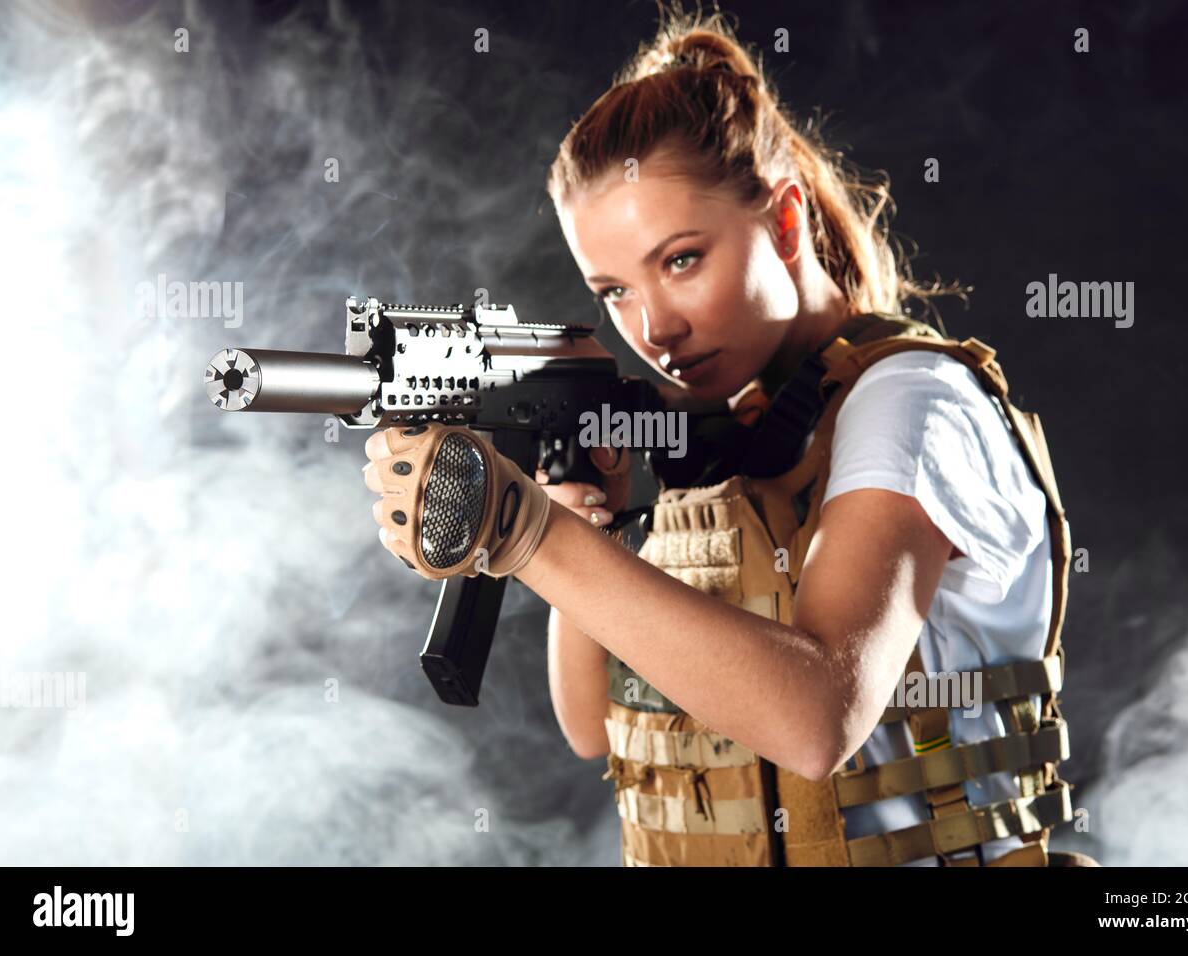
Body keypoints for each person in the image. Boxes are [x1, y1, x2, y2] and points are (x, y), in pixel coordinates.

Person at [362, 8, 1092, 867]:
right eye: (613, 291)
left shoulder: (909, 403)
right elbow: (597, 726)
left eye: (680, 261)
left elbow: (816, 720)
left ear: (784, 226)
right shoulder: (732, 434)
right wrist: (589, 522)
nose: (654, 327)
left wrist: (530, 537)